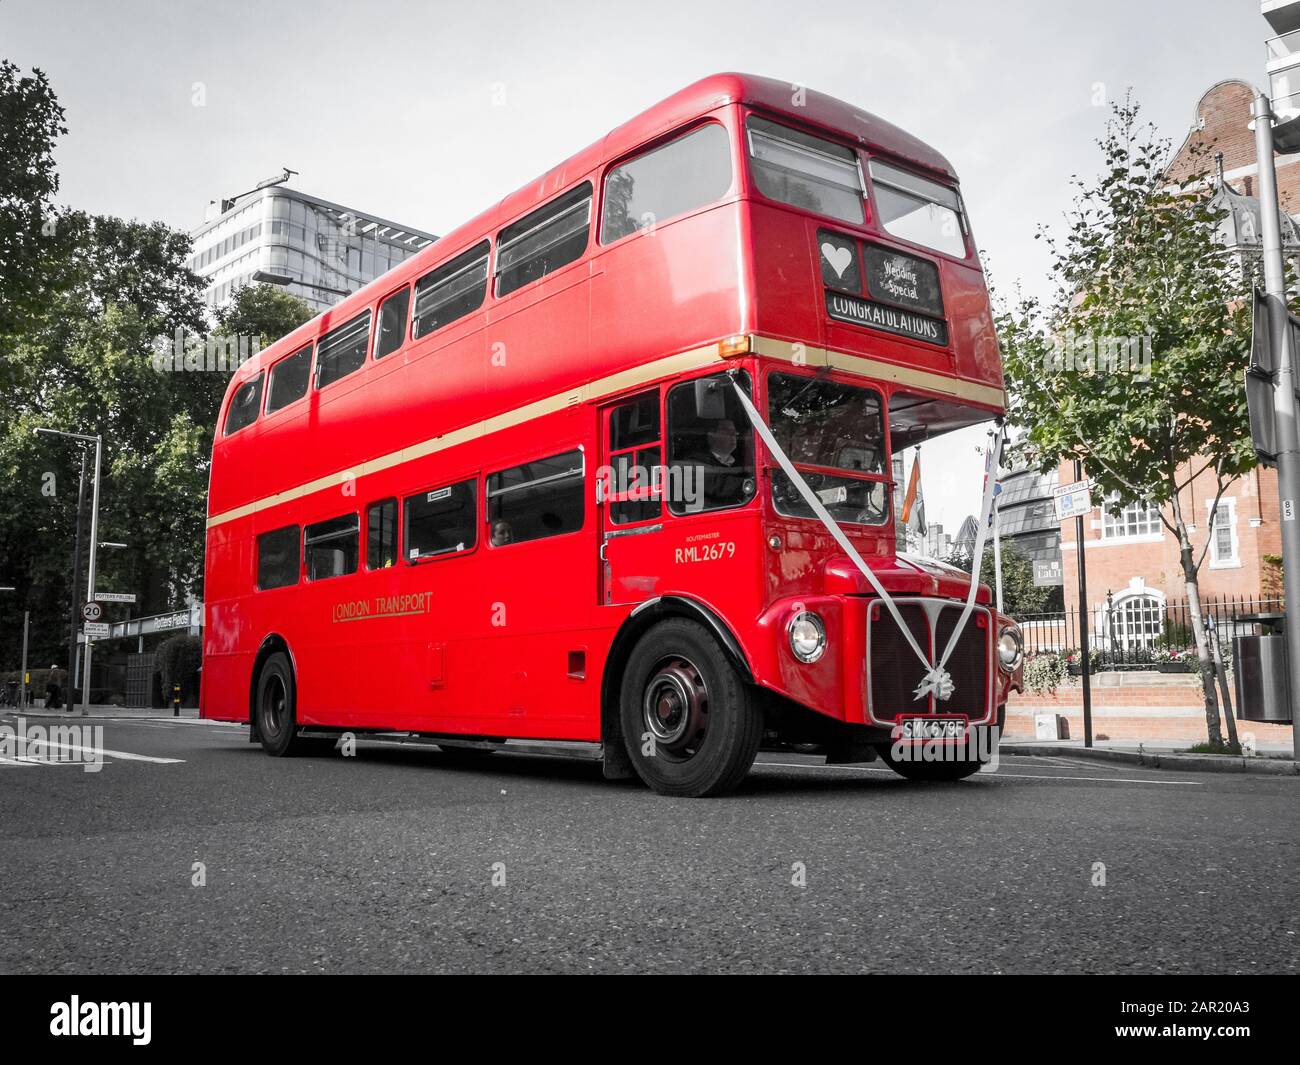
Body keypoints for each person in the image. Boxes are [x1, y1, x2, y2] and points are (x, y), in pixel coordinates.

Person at [682, 417, 749, 509]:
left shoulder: (740, 463)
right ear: (711, 434)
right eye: (727, 431)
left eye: (735, 432)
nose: (734, 435)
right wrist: (748, 483)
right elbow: (717, 485)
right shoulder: (694, 462)